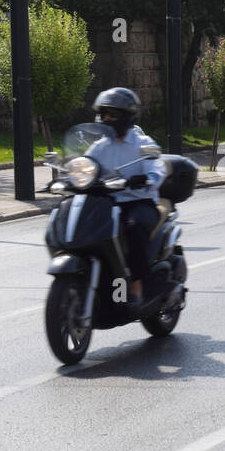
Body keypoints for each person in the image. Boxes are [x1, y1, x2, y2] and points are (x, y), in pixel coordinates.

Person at [86, 87, 168, 312]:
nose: (106, 119)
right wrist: (72, 176)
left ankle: (136, 287)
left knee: (133, 227)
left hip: (139, 202)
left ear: (127, 116)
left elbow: (157, 167)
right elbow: (86, 166)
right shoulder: (99, 147)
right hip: (109, 203)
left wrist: (147, 178)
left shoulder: (143, 143)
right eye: (104, 114)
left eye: (112, 114)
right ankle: (100, 283)